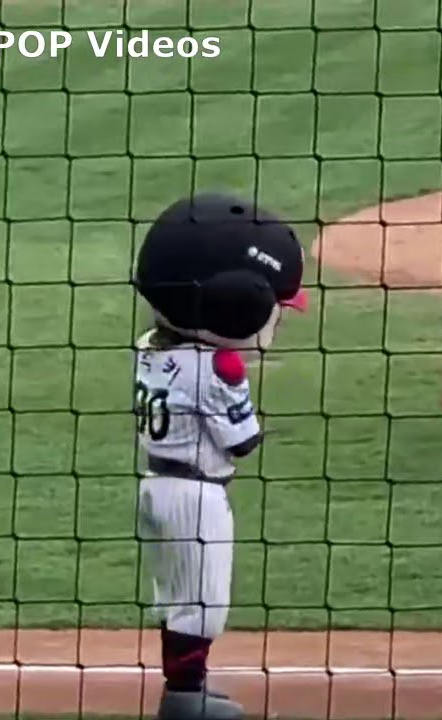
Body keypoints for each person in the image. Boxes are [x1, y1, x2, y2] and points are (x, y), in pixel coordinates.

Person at [132, 193, 309, 720]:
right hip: (196, 492)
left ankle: (189, 686)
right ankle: (186, 697)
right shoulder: (220, 368)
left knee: (175, 594)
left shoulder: (149, 346)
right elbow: (241, 441)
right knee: (204, 600)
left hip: (154, 484)